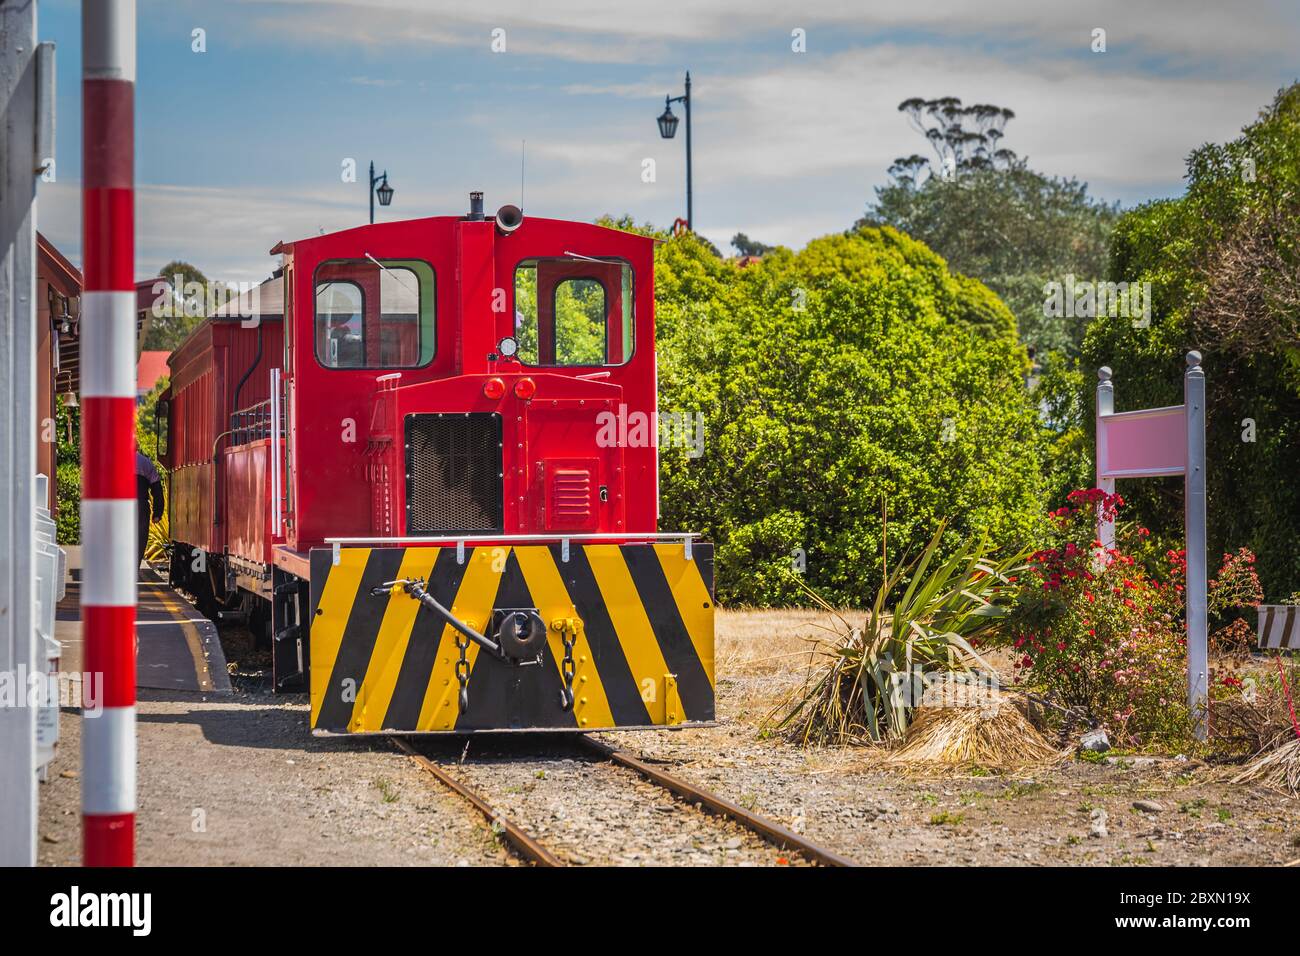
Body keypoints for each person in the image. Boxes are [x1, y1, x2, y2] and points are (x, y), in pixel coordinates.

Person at [136, 447, 164, 570]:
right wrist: (157, 513)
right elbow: (156, 488)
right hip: (140, 505)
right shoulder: (146, 462)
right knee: (140, 538)